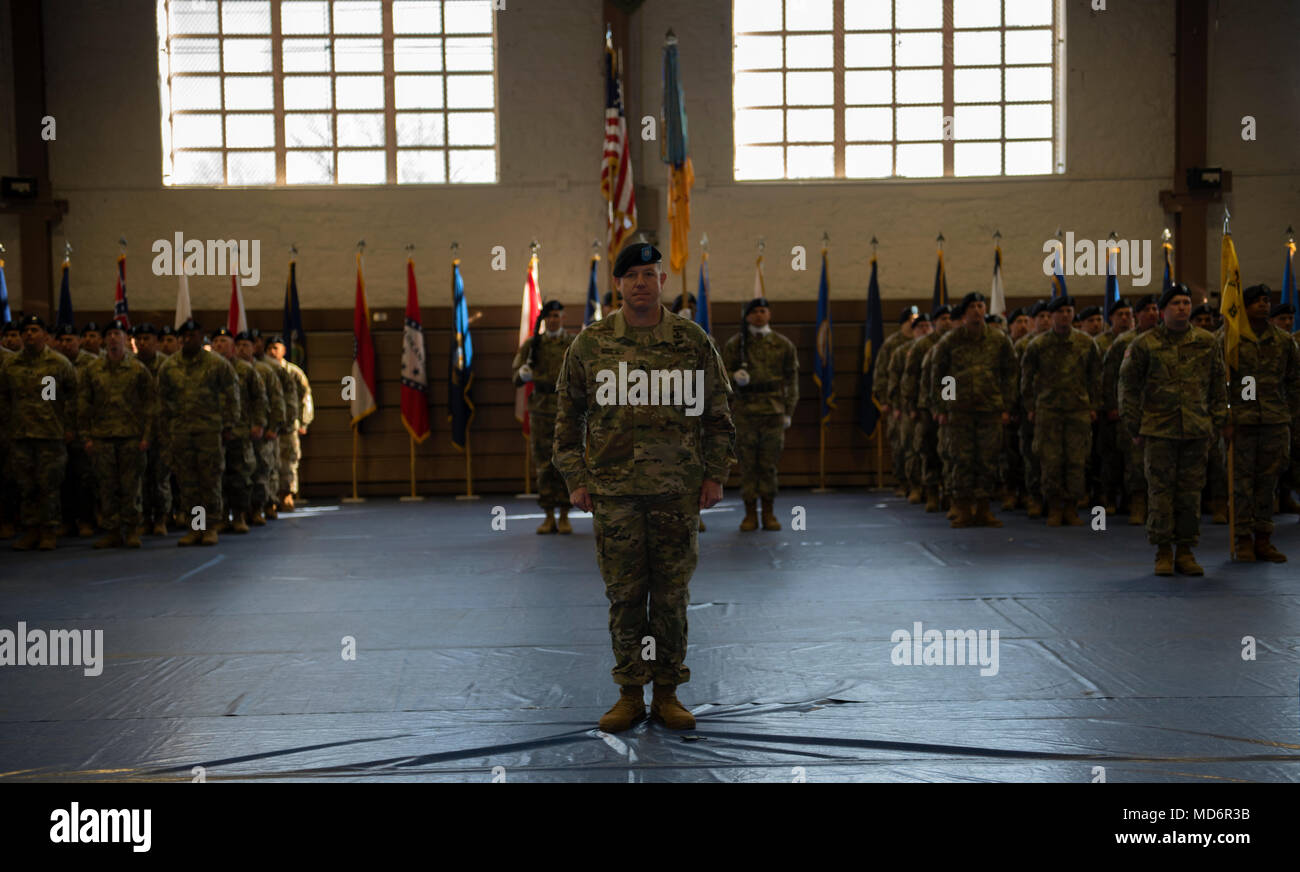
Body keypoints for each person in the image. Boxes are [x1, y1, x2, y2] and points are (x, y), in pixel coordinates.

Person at [553, 241, 735, 733]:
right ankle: (630, 694)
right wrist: (577, 480)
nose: (640, 283)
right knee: (626, 596)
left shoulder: (692, 342)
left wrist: (715, 474)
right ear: (618, 283)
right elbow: (567, 420)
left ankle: (670, 693)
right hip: (614, 495)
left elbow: (717, 414)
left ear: (662, 282)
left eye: (649, 274)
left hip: (677, 491)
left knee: (672, 595)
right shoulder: (589, 345)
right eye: (631, 274)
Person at [1119, 284, 1228, 576]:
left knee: (1190, 494)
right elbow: (1127, 388)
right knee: (1161, 493)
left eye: (1186, 302)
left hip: (1196, 429)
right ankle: (1163, 551)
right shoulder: (1144, 344)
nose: (1183, 307)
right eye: (1176, 303)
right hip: (1159, 431)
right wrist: (1134, 426)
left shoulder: (1206, 342)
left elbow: (1218, 384)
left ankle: (1186, 550)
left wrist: (1216, 421)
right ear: (1164, 309)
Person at [1222, 285, 1300, 561]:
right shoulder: (1229, 339)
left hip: (1274, 420)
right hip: (1241, 422)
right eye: (1256, 301)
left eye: (1267, 301)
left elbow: (1294, 381)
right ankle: (1242, 539)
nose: (1264, 305)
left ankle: (1263, 539)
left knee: (1269, 483)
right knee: (1241, 483)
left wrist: (1288, 413)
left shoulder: (1283, 341)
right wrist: (1225, 419)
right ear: (1244, 306)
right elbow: (1217, 382)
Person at [931, 292, 1018, 527]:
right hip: (960, 411)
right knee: (962, 459)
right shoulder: (951, 341)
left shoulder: (999, 340)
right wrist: (944, 406)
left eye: (981, 306)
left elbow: (1010, 374)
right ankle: (962, 508)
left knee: (988, 460)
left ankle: (983, 508)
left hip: (990, 410)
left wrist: (1005, 404)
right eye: (972, 306)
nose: (977, 311)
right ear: (965, 312)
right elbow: (940, 375)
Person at [1020, 295, 1102, 526]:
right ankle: (1055, 506)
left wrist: (1094, 405)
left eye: (1069, 311)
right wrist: (1030, 407)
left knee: (1077, 460)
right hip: (1049, 411)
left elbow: (1095, 377)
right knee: (1050, 461)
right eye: (1060, 311)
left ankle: (1071, 507)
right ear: (1052, 315)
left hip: (1078, 410)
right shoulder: (1038, 345)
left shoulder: (1086, 343)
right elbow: (1026, 380)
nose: (1065, 315)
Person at [157, 319, 239, 546]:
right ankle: (196, 528)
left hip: (209, 432)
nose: (189, 339)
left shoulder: (217, 364)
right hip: (181, 433)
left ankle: (211, 527)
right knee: (188, 483)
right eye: (186, 335)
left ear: (201, 337)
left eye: (194, 335)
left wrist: (229, 425)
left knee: (209, 481)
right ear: (181, 338)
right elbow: (162, 402)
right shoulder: (170, 366)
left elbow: (232, 395)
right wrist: (165, 432)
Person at [0, 315, 77, 550]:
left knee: (49, 486)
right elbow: (4, 398)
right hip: (21, 435)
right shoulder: (11, 365)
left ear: (45, 334)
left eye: (34, 330)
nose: (29, 335)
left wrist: (70, 428)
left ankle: (49, 530)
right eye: (26, 331)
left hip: (50, 435)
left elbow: (73, 398)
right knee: (26, 485)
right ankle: (31, 529)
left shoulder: (59, 363)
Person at [78, 318, 154, 548]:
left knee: (131, 487)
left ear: (125, 340)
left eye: (117, 334)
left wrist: (147, 436)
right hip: (102, 438)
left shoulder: (138, 369)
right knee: (107, 487)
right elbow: (83, 404)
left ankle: (131, 530)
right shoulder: (92, 370)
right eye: (109, 334)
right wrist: (86, 437)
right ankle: (112, 530)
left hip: (131, 437)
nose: (113, 338)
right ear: (104, 340)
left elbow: (150, 405)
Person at [723, 297, 797, 531]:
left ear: (769, 314)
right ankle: (749, 515)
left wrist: (788, 411)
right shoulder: (736, 344)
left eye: (762, 311)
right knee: (747, 466)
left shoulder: (783, 344)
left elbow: (792, 380)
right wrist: (734, 377)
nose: (758, 315)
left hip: (773, 412)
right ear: (746, 317)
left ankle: (768, 512)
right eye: (753, 312)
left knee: (768, 465)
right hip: (745, 412)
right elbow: (722, 375)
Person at [512, 300, 575, 534]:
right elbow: (515, 377)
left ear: (563, 317)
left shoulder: (572, 343)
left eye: (557, 316)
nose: (553, 320)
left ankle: (566, 514)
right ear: (544, 319)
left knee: (566, 461)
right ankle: (549, 515)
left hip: (566, 409)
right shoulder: (532, 345)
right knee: (543, 463)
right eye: (549, 317)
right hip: (540, 409)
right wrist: (523, 374)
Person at [1103, 294, 1160, 524]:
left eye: (1155, 309)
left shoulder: (1169, 339)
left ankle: (1158, 507)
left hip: (1163, 412)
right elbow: (1110, 378)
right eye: (1146, 310)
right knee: (1135, 462)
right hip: (1134, 412)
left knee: (1162, 464)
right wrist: (1114, 407)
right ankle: (1137, 503)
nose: (1152, 313)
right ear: (1139, 315)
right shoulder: (1124, 343)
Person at [212, 327, 266, 534]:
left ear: (232, 346)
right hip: (213, 432)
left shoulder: (245, 370)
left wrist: (259, 423)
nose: (219, 345)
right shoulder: (207, 368)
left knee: (241, 477)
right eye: (216, 341)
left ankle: (240, 516)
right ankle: (221, 516)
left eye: (224, 341)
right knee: (217, 477)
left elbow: (260, 398)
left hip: (240, 432)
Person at [266, 336, 313, 511]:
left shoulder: (293, 372)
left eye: (276, 347)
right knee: (268, 461)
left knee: (289, 461)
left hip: (289, 425)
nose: (272, 351)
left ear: (284, 350)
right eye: (269, 348)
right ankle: (269, 498)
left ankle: (286, 495)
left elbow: (305, 397)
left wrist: (304, 421)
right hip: (269, 425)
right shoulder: (263, 370)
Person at [876, 307, 919, 496]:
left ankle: (920, 482)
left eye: (916, 319)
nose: (914, 323)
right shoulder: (892, 344)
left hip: (919, 402)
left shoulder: (923, 343)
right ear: (903, 323)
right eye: (910, 319)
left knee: (918, 444)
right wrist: (885, 400)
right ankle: (902, 482)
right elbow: (881, 373)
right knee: (900, 444)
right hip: (898, 403)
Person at [243, 330, 284, 526]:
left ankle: (262, 506)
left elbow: (277, 401)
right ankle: (241, 511)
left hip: (262, 430)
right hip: (240, 431)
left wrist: (274, 427)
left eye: (247, 344)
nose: (243, 348)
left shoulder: (266, 370)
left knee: (262, 470)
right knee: (240, 473)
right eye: (239, 345)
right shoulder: (231, 369)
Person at [1014, 300, 1051, 518]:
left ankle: (1057, 500)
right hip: (1030, 410)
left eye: (1048, 315)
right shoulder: (1022, 346)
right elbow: (1015, 380)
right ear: (1032, 321)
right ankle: (1035, 496)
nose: (1046, 320)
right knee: (1031, 455)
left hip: (1055, 409)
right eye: (1041, 317)